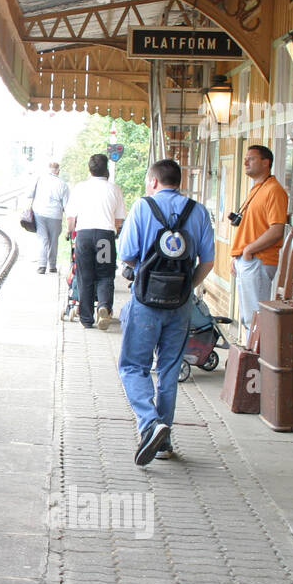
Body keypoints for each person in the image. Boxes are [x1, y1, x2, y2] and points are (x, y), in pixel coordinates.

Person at [117, 159, 215, 466]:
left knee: (134, 366)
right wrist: (187, 288)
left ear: (154, 181)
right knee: (169, 372)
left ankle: (149, 424)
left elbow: (127, 256)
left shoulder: (143, 207)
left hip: (146, 303)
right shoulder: (198, 212)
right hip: (181, 305)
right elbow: (208, 261)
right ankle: (163, 443)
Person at [231, 144, 288, 339]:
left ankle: (257, 362)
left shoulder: (274, 190)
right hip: (247, 260)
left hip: (258, 259)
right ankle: (251, 359)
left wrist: (248, 250)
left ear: (266, 162)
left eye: (251, 158)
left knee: (256, 317)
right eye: (245, 158)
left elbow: (276, 229)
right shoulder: (257, 189)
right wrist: (238, 255)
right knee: (248, 316)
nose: (246, 162)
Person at [66, 153, 126, 329]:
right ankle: (104, 306)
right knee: (105, 275)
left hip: (83, 236)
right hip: (104, 237)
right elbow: (119, 220)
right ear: (106, 169)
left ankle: (86, 318)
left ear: (89, 169)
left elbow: (70, 219)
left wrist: (70, 231)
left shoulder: (80, 188)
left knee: (84, 276)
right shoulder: (114, 189)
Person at [28, 161, 69, 273]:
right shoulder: (63, 184)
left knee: (43, 239)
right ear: (58, 171)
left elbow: (29, 194)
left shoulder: (40, 179)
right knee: (53, 240)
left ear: (48, 169)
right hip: (55, 215)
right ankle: (52, 266)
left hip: (39, 213)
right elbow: (66, 205)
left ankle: (42, 266)